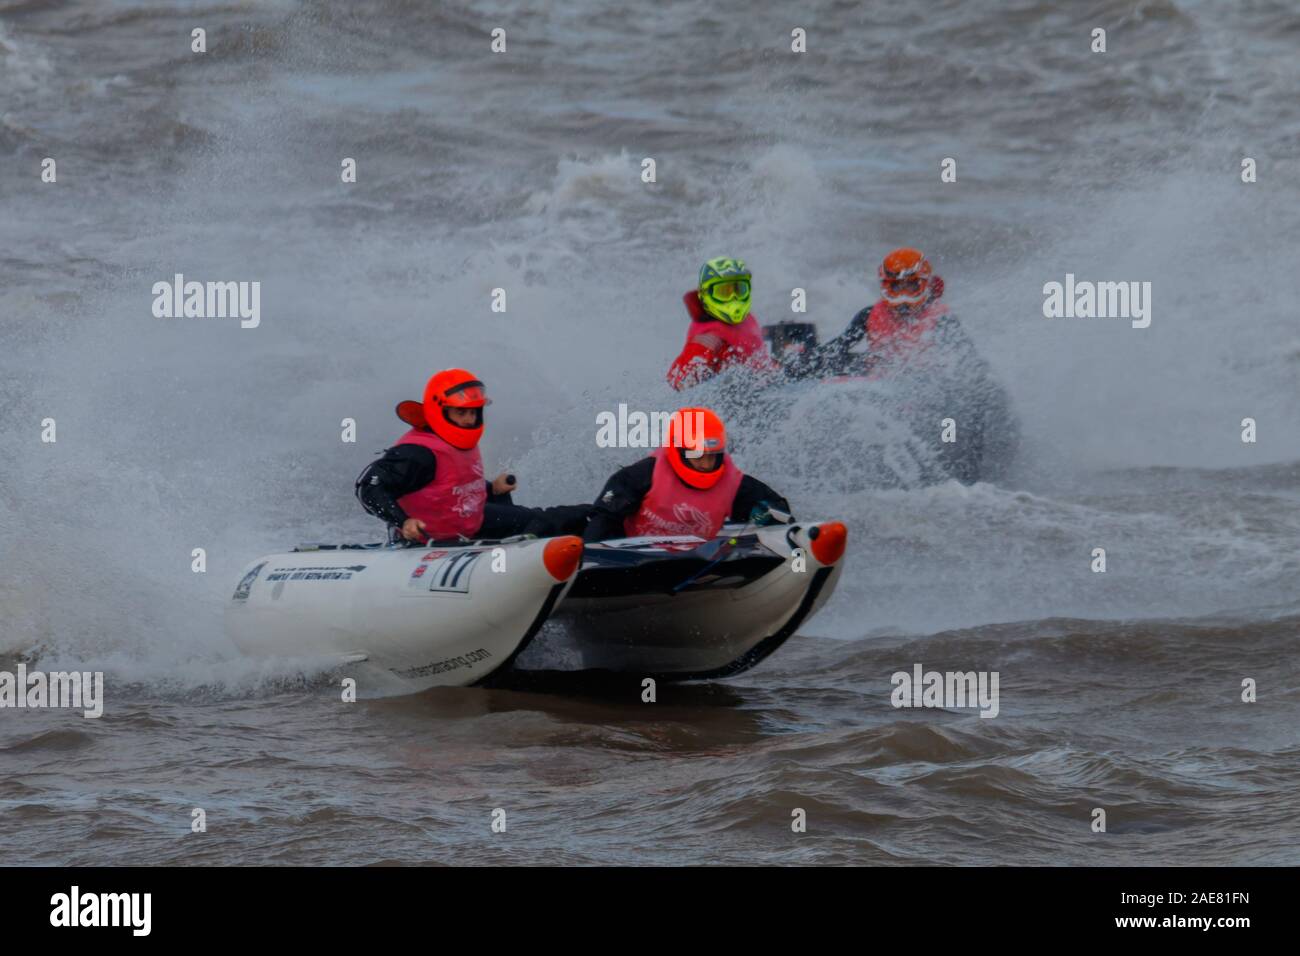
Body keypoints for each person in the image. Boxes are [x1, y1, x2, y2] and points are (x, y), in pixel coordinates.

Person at [356, 369, 591, 543]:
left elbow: (448, 488)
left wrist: (492, 490)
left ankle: (611, 526)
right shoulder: (417, 453)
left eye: (473, 412)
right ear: (440, 412)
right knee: (539, 524)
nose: (469, 420)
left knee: (550, 520)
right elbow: (369, 489)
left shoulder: (458, 443)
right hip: (426, 541)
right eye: (461, 412)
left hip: (472, 524)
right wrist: (403, 522)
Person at [583, 407, 791, 542]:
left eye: (713, 456)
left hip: (693, 563)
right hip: (627, 552)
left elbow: (780, 511)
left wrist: (767, 513)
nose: (706, 464)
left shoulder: (732, 483)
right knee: (567, 519)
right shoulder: (645, 474)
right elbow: (605, 516)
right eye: (698, 455)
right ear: (679, 450)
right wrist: (588, 557)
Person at [790, 247, 977, 378]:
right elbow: (838, 347)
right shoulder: (869, 315)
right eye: (896, 286)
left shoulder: (941, 319)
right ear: (886, 286)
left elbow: (966, 359)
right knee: (824, 362)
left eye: (911, 286)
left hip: (924, 384)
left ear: (925, 284)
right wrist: (805, 362)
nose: (903, 294)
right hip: (880, 379)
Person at [666, 257, 777, 390]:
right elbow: (679, 381)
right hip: (736, 397)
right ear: (705, 295)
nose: (734, 298)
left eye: (739, 290)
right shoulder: (708, 336)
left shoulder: (748, 319)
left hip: (768, 380)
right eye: (724, 292)